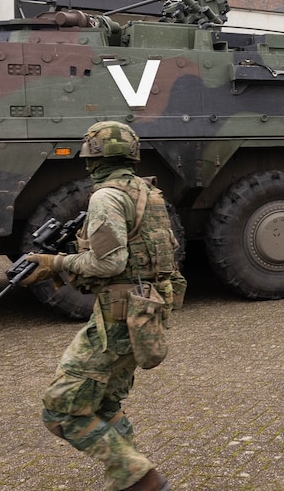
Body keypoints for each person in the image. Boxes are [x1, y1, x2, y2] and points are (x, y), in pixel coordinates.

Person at [22, 121, 185, 491]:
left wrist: (55, 264)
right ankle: (128, 478)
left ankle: (139, 477)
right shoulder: (148, 192)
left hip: (119, 316)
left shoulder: (106, 197)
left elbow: (109, 263)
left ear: (91, 157)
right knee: (106, 403)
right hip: (145, 311)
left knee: (61, 408)